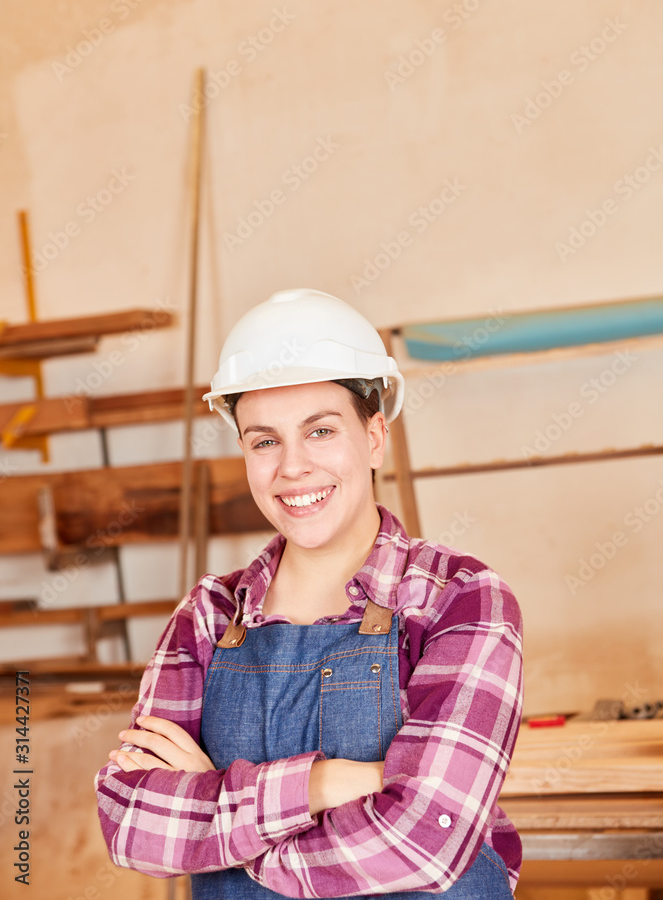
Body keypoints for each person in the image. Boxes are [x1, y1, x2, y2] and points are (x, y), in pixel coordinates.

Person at [95, 287, 524, 898]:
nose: (291, 467)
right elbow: (131, 823)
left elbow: (425, 840)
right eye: (265, 440)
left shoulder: (459, 598)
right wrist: (325, 785)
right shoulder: (208, 617)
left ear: (374, 436)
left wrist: (222, 812)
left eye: (320, 431)